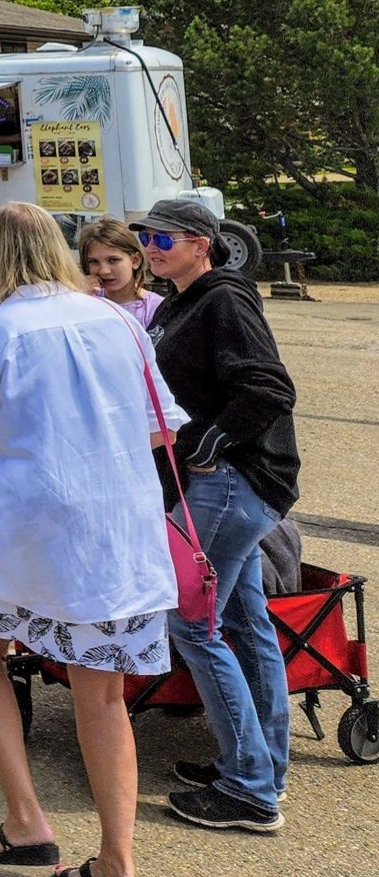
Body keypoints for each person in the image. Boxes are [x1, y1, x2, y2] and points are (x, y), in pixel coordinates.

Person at [0, 203, 182, 877]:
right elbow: (162, 425)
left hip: (29, 520)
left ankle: (25, 818)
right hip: (117, 525)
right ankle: (116, 858)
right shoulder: (117, 319)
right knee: (100, 691)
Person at [143, 197, 301, 834]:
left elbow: (268, 387)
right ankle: (264, 767)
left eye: (163, 237)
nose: (151, 246)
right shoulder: (182, 300)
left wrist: (211, 442)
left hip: (232, 484)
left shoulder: (223, 298)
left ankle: (250, 789)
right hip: (232, 484)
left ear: (202, 243)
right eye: (145, 236)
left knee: (192, 625)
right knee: (242, 620)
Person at [80, 216, 160, 328]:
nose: (104, 271)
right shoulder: (85, 301)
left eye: (113, 260)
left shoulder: (156, 308)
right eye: (94, 262)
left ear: (135, 260)